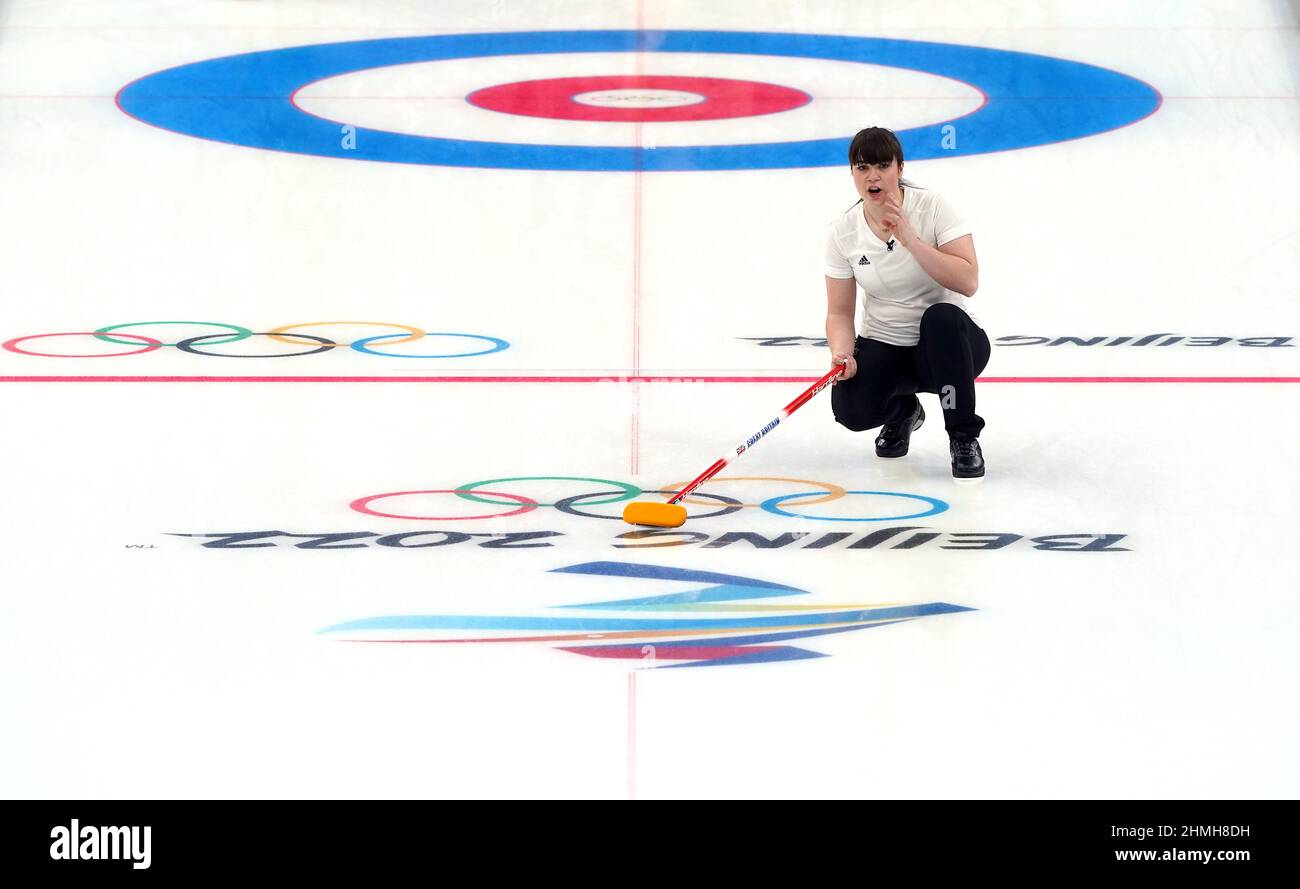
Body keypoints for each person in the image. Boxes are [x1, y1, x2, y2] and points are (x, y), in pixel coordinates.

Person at [823, 126, 990, 481]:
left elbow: (968, 281)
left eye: (882, 166)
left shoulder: (932, 207)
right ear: (852, 173)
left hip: (949, 348)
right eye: (862, 167)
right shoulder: (843, 231)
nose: (873, 176)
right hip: (888, 344)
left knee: (941, 318)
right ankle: (903, 411)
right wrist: (843, 353)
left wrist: (911, 240)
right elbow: (839, 311)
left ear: (900, 168)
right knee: (850, 409)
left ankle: (963, 436)